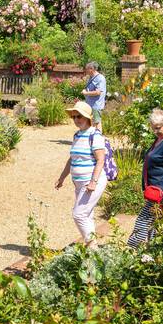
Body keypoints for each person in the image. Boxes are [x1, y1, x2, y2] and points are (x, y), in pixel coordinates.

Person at [127, 108, 163, 249]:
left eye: (158, 128)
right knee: (156, 228)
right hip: (154, 193)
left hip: (162, 195)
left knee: (144, 224)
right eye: (153, 128)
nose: (155, 131)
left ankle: (135, 252)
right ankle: (151, 255)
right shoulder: (161, 138)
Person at [56, 100, 107, 247]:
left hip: (91, 181)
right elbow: (72, 159)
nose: (76, 120)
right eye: (74, 117)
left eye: (79, 116)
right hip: (78, 183)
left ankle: (92, 245)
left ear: (87, 118)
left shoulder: (94, 135)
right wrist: (62, 178)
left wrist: (93, 182)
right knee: (87, 215)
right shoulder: (77, 135)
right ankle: (92, 252)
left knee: (79, 214)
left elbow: (100, 160)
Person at [81, 61, 107, 131]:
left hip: (96, 105)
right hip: (90, 105)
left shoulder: (100, 78)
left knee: (97, 123)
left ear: (91, 69)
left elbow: (98, 92)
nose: (85, 70)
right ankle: (92, 139)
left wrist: (86, 93)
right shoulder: (91, 77)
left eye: (87, 69)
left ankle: (98, 140)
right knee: (92, 123)